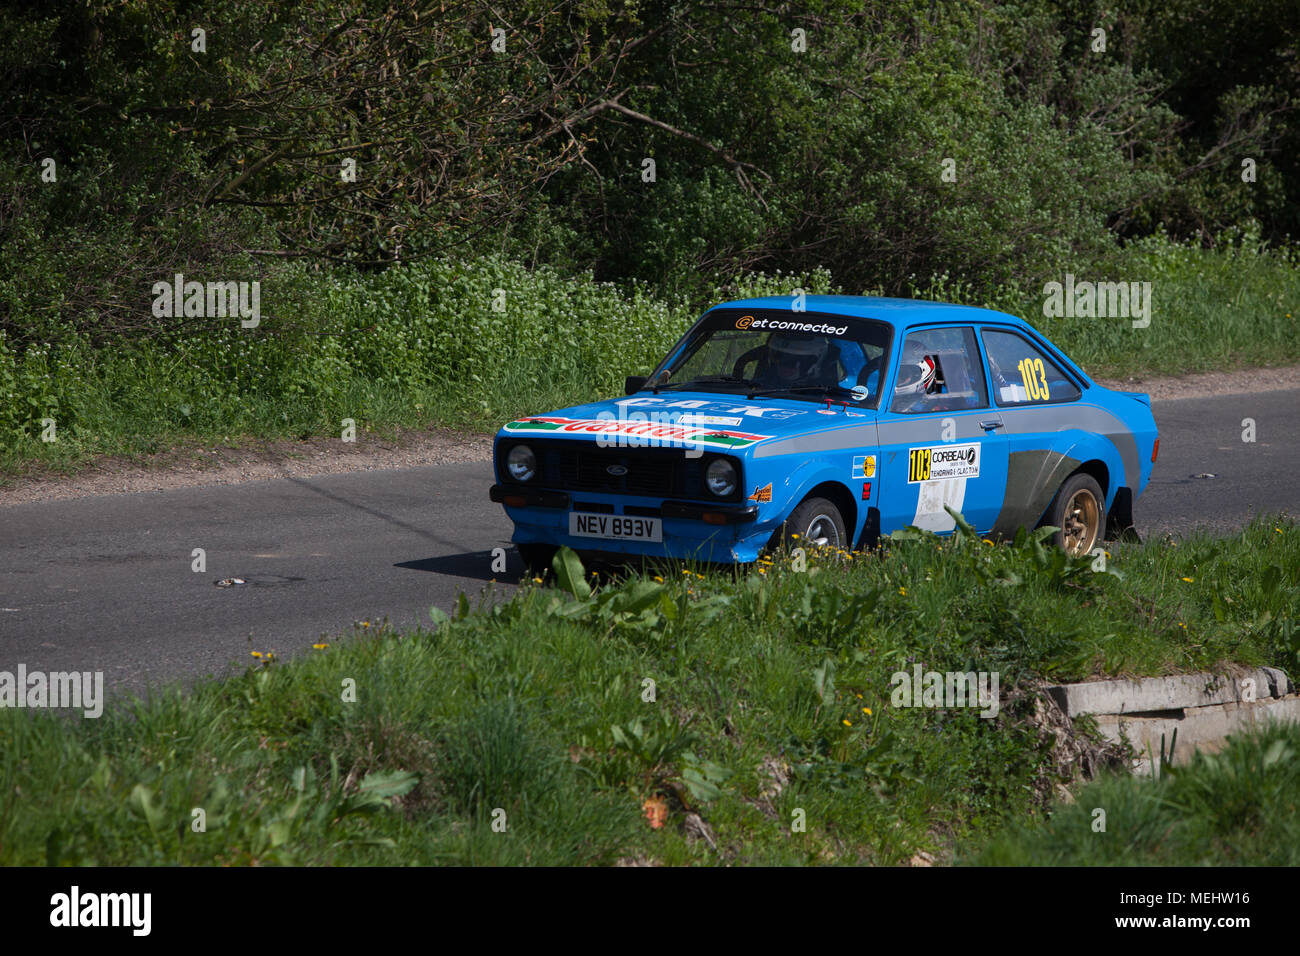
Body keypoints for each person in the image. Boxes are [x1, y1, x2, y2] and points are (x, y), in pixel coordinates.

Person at [758, 333, 836, 387]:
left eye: (793, 360)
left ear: (815, 361)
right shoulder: (755, 385)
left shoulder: (827, 394)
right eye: (778, 356)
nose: (785, 364)